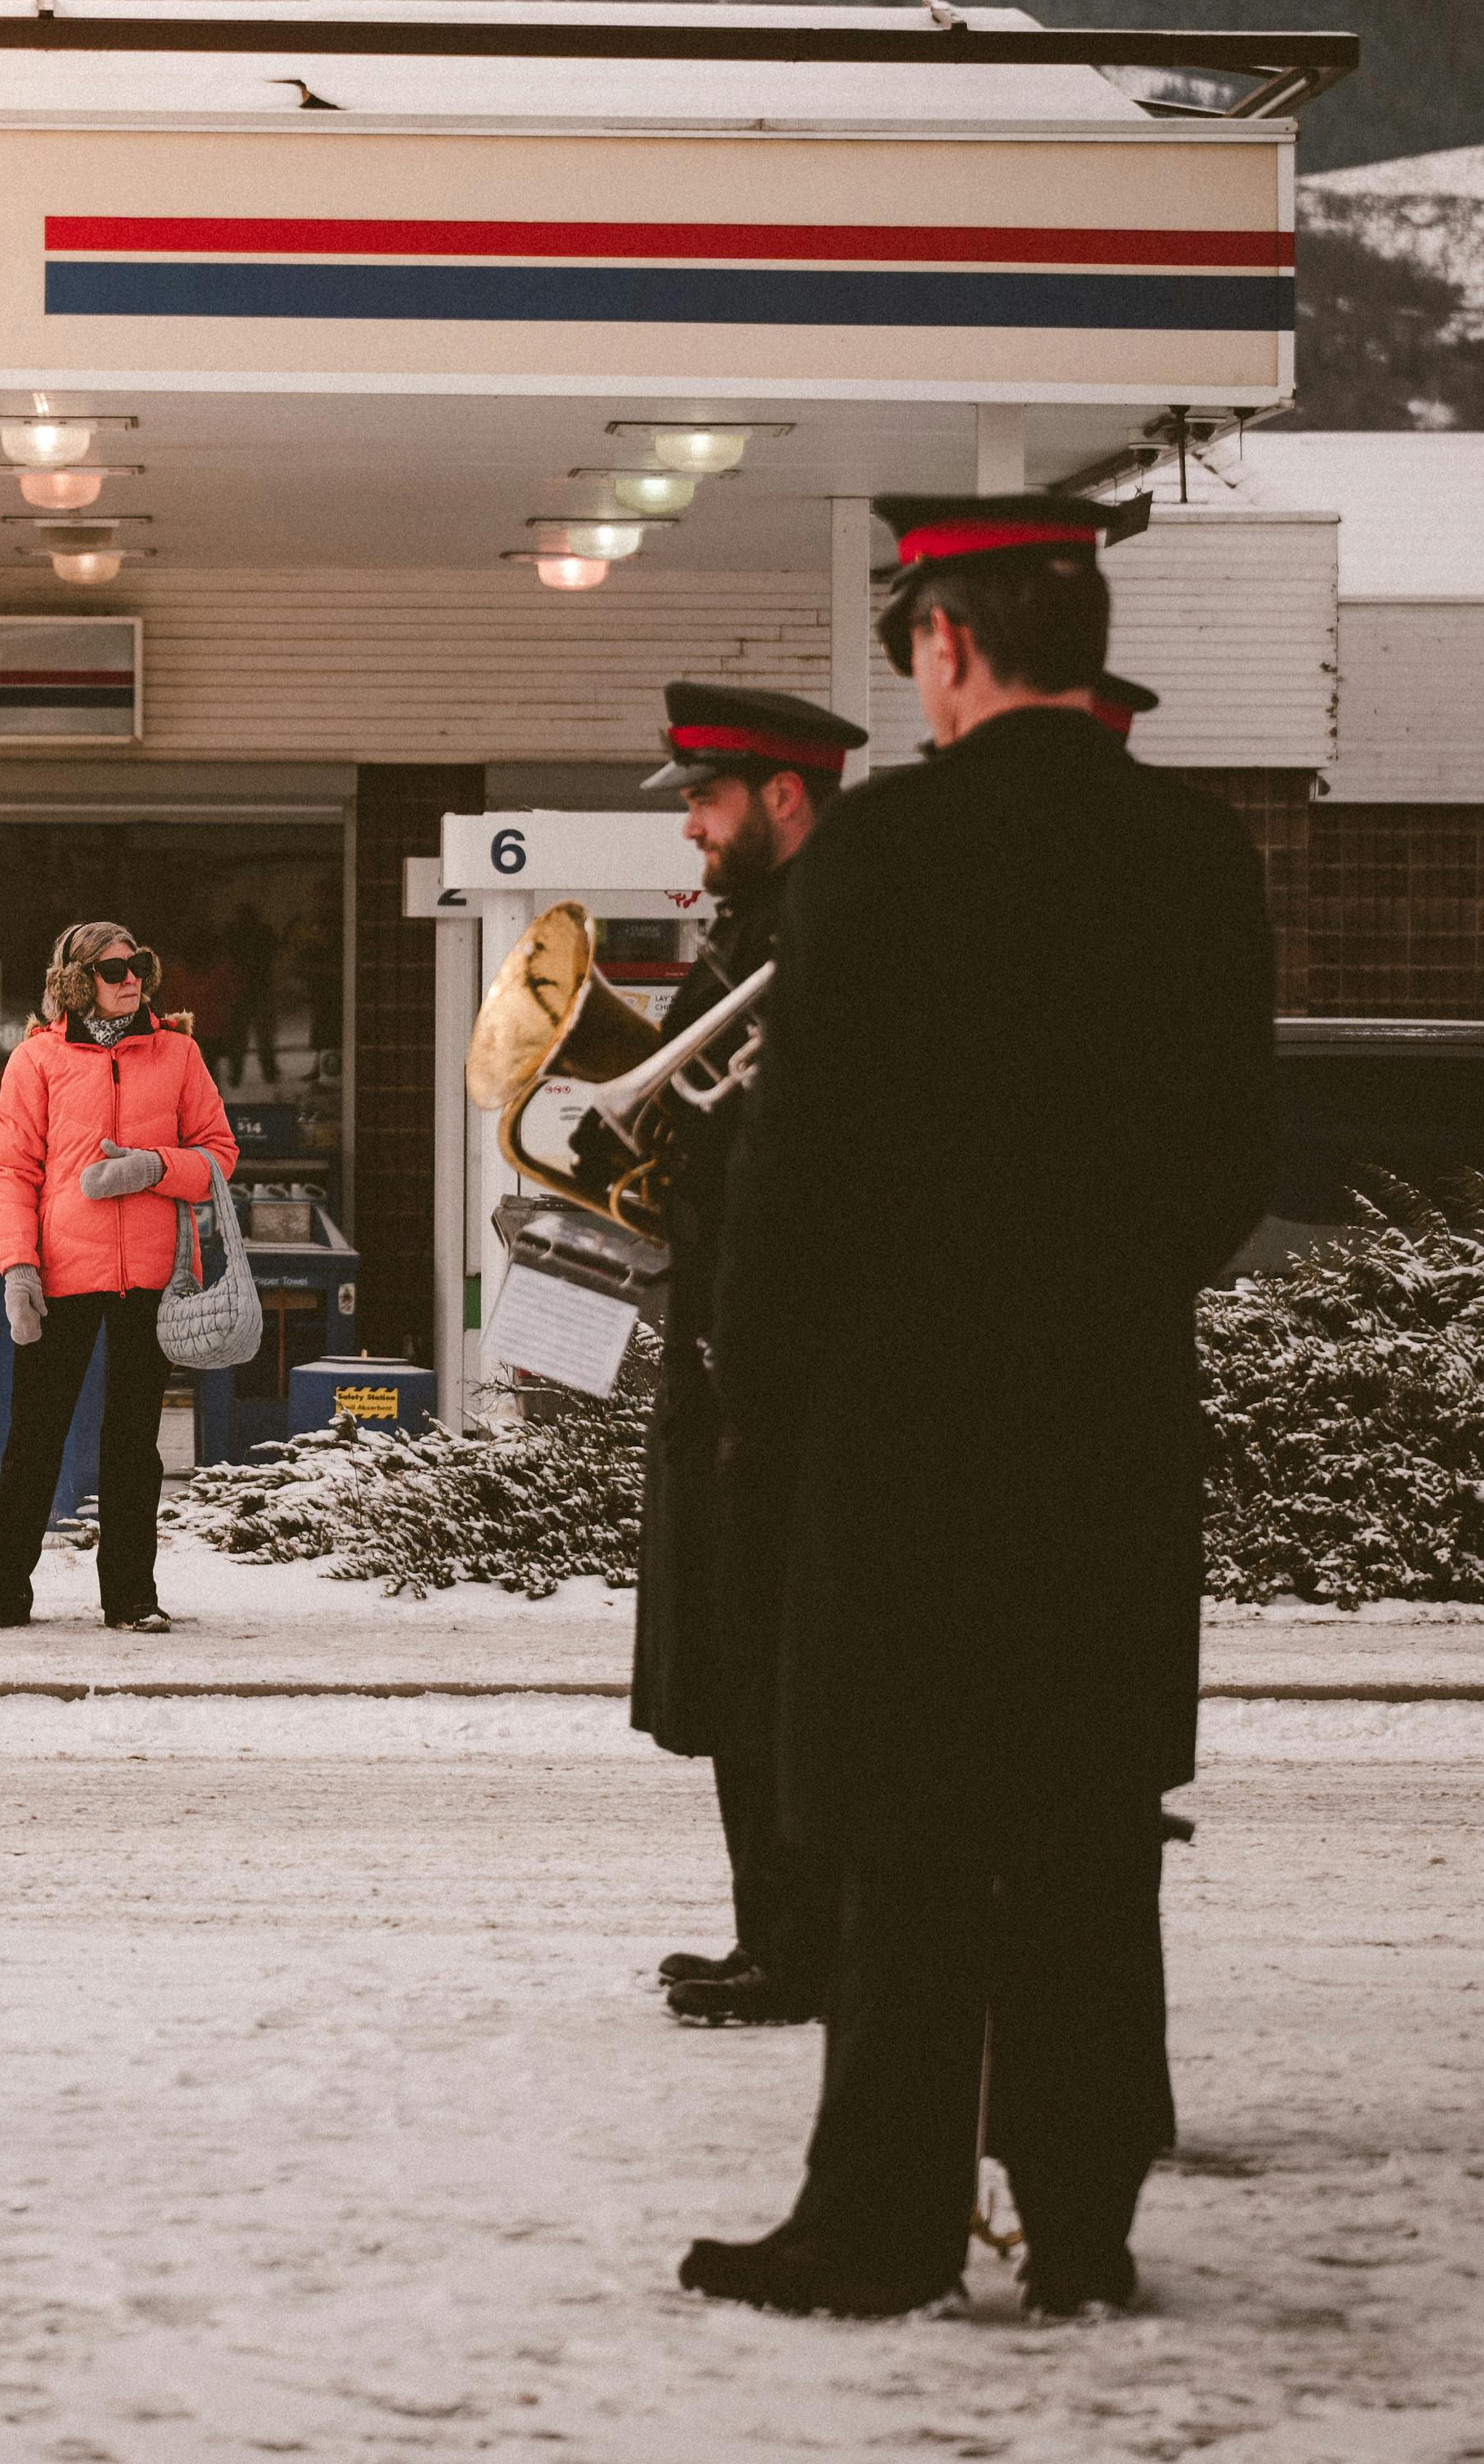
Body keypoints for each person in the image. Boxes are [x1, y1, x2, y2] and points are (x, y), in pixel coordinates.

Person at [683, 495, 1276, 2321]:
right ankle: (1083, 2222)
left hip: (902, 1420)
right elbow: (1228, 1161)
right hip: (1102, 1410)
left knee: (903, 1833)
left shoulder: (881, 854)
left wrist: (759, 1395)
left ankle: (875, 2221)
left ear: (947, 641)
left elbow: (798, 1171)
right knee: (1088, 1826)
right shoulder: (1194, 851)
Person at [627, 682, 866, 2030]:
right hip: (721, 1332)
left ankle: (806, 1939)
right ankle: (767, 1922)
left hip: (773, 1352)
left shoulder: (820, 938)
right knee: (732, 1643)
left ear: (784, 797)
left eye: (709, 802)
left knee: (780, 1647)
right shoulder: (753, 937)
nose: (694, 831)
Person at [0, 921, 240, 1634]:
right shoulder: (35, 1061)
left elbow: (219, 1154)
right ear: (76, 982)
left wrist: (154, 1167)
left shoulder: (178, 1053)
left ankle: (131, 1596)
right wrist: (17, 1269)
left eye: (138, 963)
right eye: (112, 969)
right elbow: (12, 1172)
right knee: (35, 1437)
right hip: (63, 1274)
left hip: (153, 1278)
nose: (130, 976)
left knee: (133, 1443)